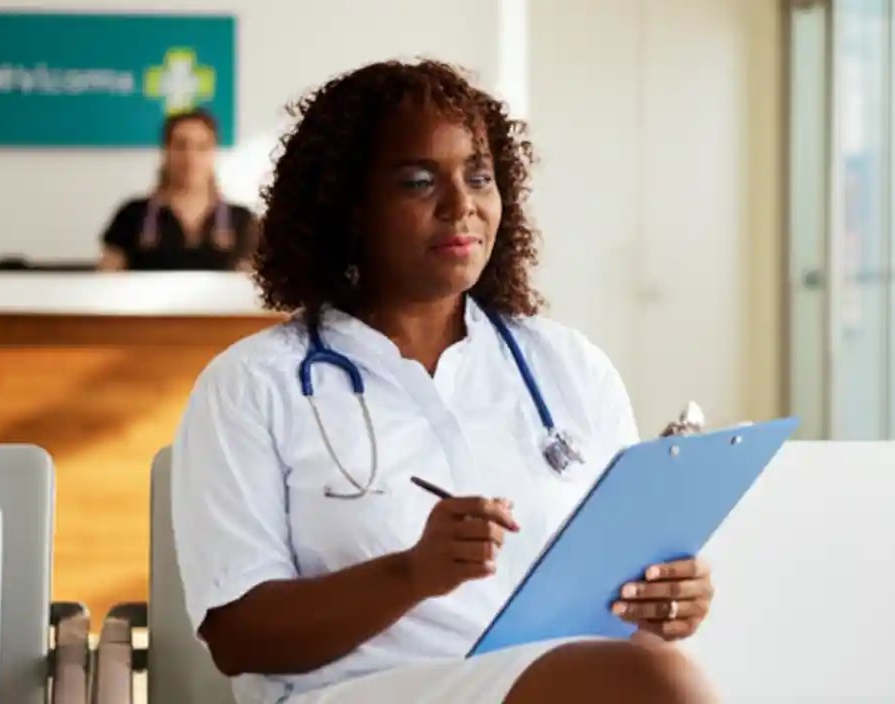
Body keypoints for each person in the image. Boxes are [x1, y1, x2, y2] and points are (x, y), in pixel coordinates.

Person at [170, 60, 718, 704]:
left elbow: (616, 605)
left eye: (479, 177)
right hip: (353, 692)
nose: (461, 205)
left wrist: (662, 596)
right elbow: (240, 638)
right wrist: (410, 573)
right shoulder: (253, 385)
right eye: (419, 182)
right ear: (349, 209)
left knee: (653, 669)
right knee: (657, 683)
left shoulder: (569, 367)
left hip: (550, 682)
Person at [98, 109, 257, 271]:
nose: (190, 156)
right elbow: (106, 281)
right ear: (165, 151)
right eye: (181, 146)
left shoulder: (242, 220)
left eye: (201, 147)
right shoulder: (132, 215)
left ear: (213, 153)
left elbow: (254, 282)